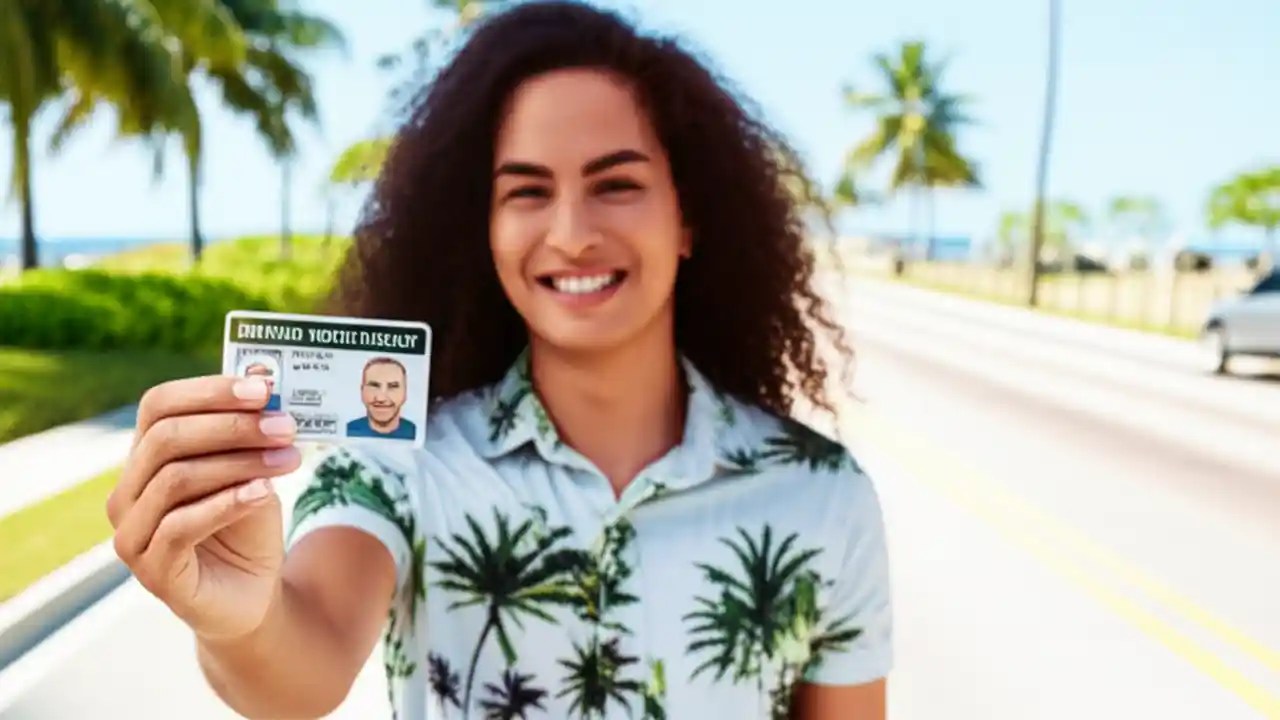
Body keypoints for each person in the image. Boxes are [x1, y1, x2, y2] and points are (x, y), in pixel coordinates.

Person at [105, 2, 892, 718]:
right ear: (481, 228)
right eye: (526, 192)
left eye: (615, 184)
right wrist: (238, 622)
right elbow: (299, 665)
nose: (573, 232)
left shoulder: (824, 498)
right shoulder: (397, 466)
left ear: (689, 217)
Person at [346, 357, 417, 440]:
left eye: (393, 386)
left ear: (405, 392)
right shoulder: (346, 431)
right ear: (362, 391)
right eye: (374, 386)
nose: (381, 398)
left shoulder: (416, 432)